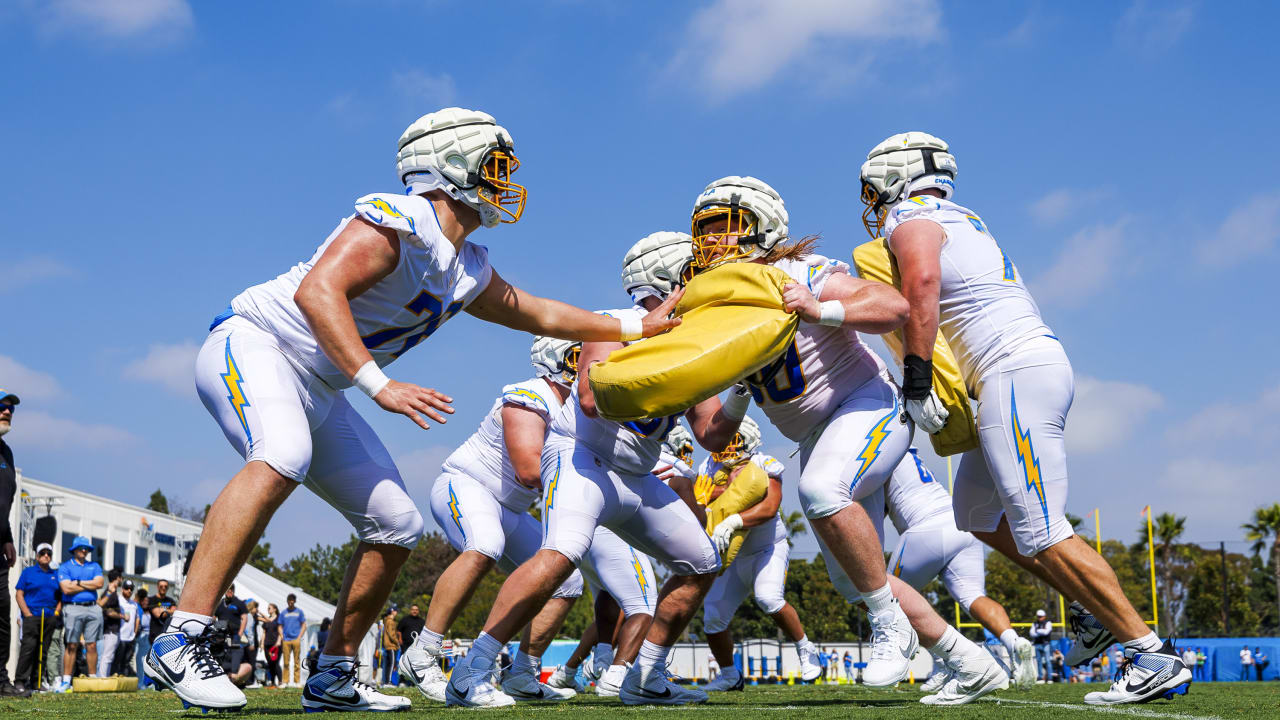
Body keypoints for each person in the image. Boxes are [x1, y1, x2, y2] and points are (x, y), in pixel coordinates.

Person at [148, 107, 682, 715]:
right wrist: (380, 385)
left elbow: (540, 313)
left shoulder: (466, 263)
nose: (505, 180)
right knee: (282, 453)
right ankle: (182, 635)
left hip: (320, 383)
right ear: (451, 164)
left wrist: (635, 326)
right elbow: (316, 291)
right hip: (257, 344)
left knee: (396, 522)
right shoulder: (405, 218)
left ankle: (334, 673)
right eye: (495, 165)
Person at [859, 132, 1191, 706]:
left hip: (1011, 372)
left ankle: (1150, 655)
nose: (871, 200)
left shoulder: (912, 215)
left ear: (896, 176)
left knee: (1042, 529)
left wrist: (916, 376)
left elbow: (921, 283)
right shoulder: (961, 216)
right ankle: (1091, 608)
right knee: (976, 513)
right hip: (1018, 371)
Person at [689, 175, 1005, 706]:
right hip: (817, 434)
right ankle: (970, 662)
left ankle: (890, 624)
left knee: (821, 490)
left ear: (762, 228)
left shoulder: (800, 272)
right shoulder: (715, 309)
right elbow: (712, 435)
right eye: (704, 229)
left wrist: (820, 308)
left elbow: (893, 306)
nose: (711, 240)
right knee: (854, 576)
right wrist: (738, 392)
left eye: (725, 225)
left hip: (865, 404)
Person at [445, 230, 737, 708]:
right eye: (696, 271)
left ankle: (646, 676)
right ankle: (471, 669)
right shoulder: (613, 323)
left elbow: (712, 435)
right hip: (584, 456)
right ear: (666, 278)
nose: (706, 281)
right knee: (561, 554)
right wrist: (667, 361)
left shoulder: (693, 343)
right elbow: (589, 398)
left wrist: (741, 388)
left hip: (637, 474)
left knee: (702, 562)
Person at [398, 337, 598, 704]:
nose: (588, 363)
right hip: (468, 485)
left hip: (511, 510)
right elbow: (529, 470)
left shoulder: (577, 409)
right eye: (579, 355)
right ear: (555, 358)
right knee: (485, 544)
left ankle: (522, 673)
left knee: (567, 582)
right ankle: (423, 651)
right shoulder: (529, 395)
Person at [882, 449, 1037, 691]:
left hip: (926, 528)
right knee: (974, 596)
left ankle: (944, 663)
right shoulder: (906, 452)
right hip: (959, 524)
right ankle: (1014, 642)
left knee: (887, 599)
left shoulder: (879, 451)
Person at [688, 416, 823, 692]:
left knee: (768, 598)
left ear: (747, 440)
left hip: (767, 548)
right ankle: (729, 675)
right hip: (732, 553)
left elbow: (770, 507)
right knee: (712, 617)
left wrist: (734, 520)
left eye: (733, 439)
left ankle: (805, 648)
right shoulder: (709, 466)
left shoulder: (764, 463)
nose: (726, 445)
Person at [56, 535, 104, 690]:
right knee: (71, 644)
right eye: (81, 548)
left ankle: (92, 679)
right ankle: (66, 681)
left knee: (92, 644)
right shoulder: (65, 567)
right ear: (74, 550)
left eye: (86, 548)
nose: (84, 550)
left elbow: (100, 583)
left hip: (93, 607)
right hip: (73, 607)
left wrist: (77, 582)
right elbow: (66, 589)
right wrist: (89, 585)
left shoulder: (94, 565)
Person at [0, 389, 23, 696]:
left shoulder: (6, 453)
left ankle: (0, 680)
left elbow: (4, 503)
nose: (6, 412)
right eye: (0, 407)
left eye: (10, 409)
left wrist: (7, 538)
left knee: (2, 616)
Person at [14, 542, 60, 693]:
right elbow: (19, 594)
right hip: (32, 616)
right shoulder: (28, 572)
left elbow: (61, 597)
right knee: (29, 648)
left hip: (49, 617)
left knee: (43, 650)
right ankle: (20, 681)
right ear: (37, 555)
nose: (46, 556)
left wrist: (56, 612)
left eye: (49, 553)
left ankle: (37, 681)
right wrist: (27, 613)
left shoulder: (55, 574)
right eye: (43, 553)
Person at [214, 585, 252, 686]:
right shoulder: (220, 604)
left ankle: (233, 676)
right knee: (220, 656)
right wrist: (218, 626)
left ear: (234, 591)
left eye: (231, 590)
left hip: (234, 636)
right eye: (228, 590)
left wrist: (239, 634)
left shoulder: (239, 603)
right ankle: (220, 677)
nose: (229, 592)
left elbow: (244, 618)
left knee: (236, 654)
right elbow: (213, 617)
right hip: (221, 636)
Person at [96, 570, 124, 676]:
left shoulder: (111, 592)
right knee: (107, 656)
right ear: (118, 578)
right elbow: (108, 612)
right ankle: (102, 679)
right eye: (121, 578)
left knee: (108, 656)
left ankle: (104, 677)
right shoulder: (111, 593)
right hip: (111, 630)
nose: (122, 580)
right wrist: (122, 616)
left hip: (110, 629)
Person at [278, 593, 306, 688]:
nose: (291, 602)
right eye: (289, 600)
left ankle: (297, 682)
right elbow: (279, 625)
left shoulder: (299, 612)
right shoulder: (283, 613)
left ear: (294, 601)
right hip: (286, 640)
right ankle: (285, 682)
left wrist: (299, 636)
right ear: (287, 601)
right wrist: (281, 635)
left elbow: (304, 625)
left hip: (296, 639)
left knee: (296, 661)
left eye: (292, 600)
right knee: (286, 662)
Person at [396, 605, 425, 672]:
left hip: (418, 646)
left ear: (418, 611)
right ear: (410, 610)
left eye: (416, 610)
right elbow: (398, 631)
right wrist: (400, 639)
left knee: (416, 662)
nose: (414, 611)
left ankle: (414, 677)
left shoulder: (422, 621)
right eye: (413, 609)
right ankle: (402, 677)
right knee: (405, 662)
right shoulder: (404, 620)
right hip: (406, 645)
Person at [260, 604, 282, 687]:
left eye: (269, 608)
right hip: (267, 644)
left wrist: (279, 641)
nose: (268, 609)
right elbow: (264, 632)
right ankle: (272, 683)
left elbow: (281, 631)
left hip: (276, 644)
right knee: (270, 663)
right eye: (267, 608)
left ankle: (280, 681)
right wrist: (262, 643)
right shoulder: (267, 619)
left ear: (275, 609)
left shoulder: (279, 618)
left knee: (275, 663)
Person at [134, 588, 151, 688]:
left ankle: (148, 683)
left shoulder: (151, 612)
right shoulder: (138, 610)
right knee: (139, 662)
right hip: (140, 637)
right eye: (143, 600)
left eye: (147, 601)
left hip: (149, 638)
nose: (145, 602)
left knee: (146, 662)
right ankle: (140, 683)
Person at [1030, 610, 1052, 682]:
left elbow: (1046, 632)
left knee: (1048, 661)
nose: (1039, 618)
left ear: (1044, 617)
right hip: (1037, 644)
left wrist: (1037, 631)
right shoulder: (1035, 624)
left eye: (1041, 617)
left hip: (1046, 644)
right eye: (1038, 617)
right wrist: (1041, 631)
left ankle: (1050, 678)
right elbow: (1032, 633)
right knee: (1038, 661)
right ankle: (1040, 677)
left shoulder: (1048, 623)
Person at [379, 608, 398, 687]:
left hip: (388, 646)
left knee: (388, 664)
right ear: (392, 612)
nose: (396, 612)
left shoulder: (386, 621)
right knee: (391, 664)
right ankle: (388, 682)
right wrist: (397, 642)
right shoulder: (390, 621)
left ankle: (385, 682)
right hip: (391, 645)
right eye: (396, 611)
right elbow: (391, 634)